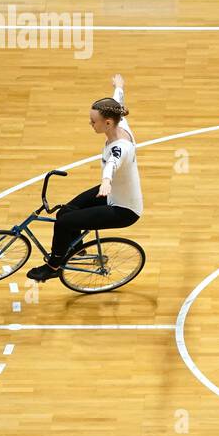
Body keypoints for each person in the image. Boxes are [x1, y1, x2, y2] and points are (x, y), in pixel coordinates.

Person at [28, 75, 143, 283]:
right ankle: (76, 249)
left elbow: (112, 164)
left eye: (93, 121)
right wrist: (118, 87)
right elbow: (118, 103)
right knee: (65, 211)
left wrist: (107, 182)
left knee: (63, 223)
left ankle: (53, 266)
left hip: (124, 209)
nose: (90, 123)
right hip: (112, 194)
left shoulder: (121, 147)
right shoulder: (119, 121)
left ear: (107, 123)